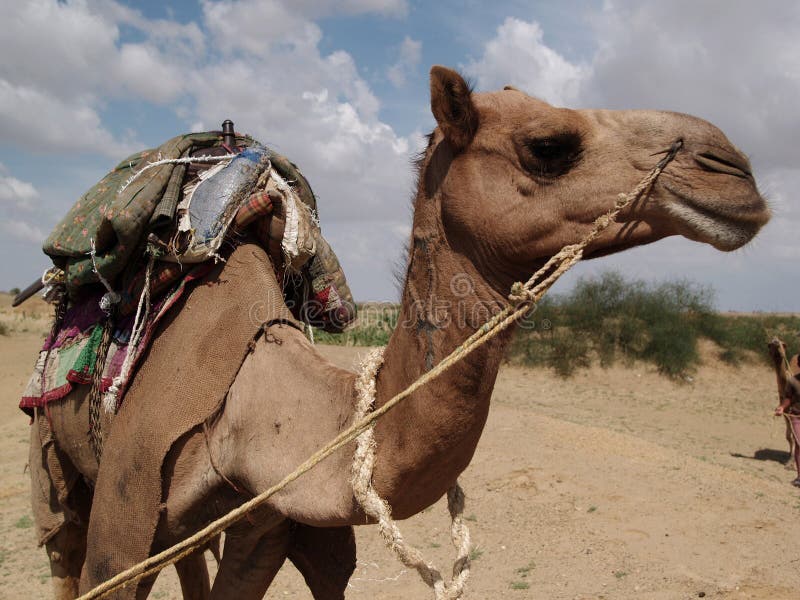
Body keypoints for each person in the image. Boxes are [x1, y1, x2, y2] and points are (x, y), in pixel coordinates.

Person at [775, 373, 800, 487]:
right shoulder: (793, 381)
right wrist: (782, 407)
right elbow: (788, 398)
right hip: (796, 416)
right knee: (799, 444)